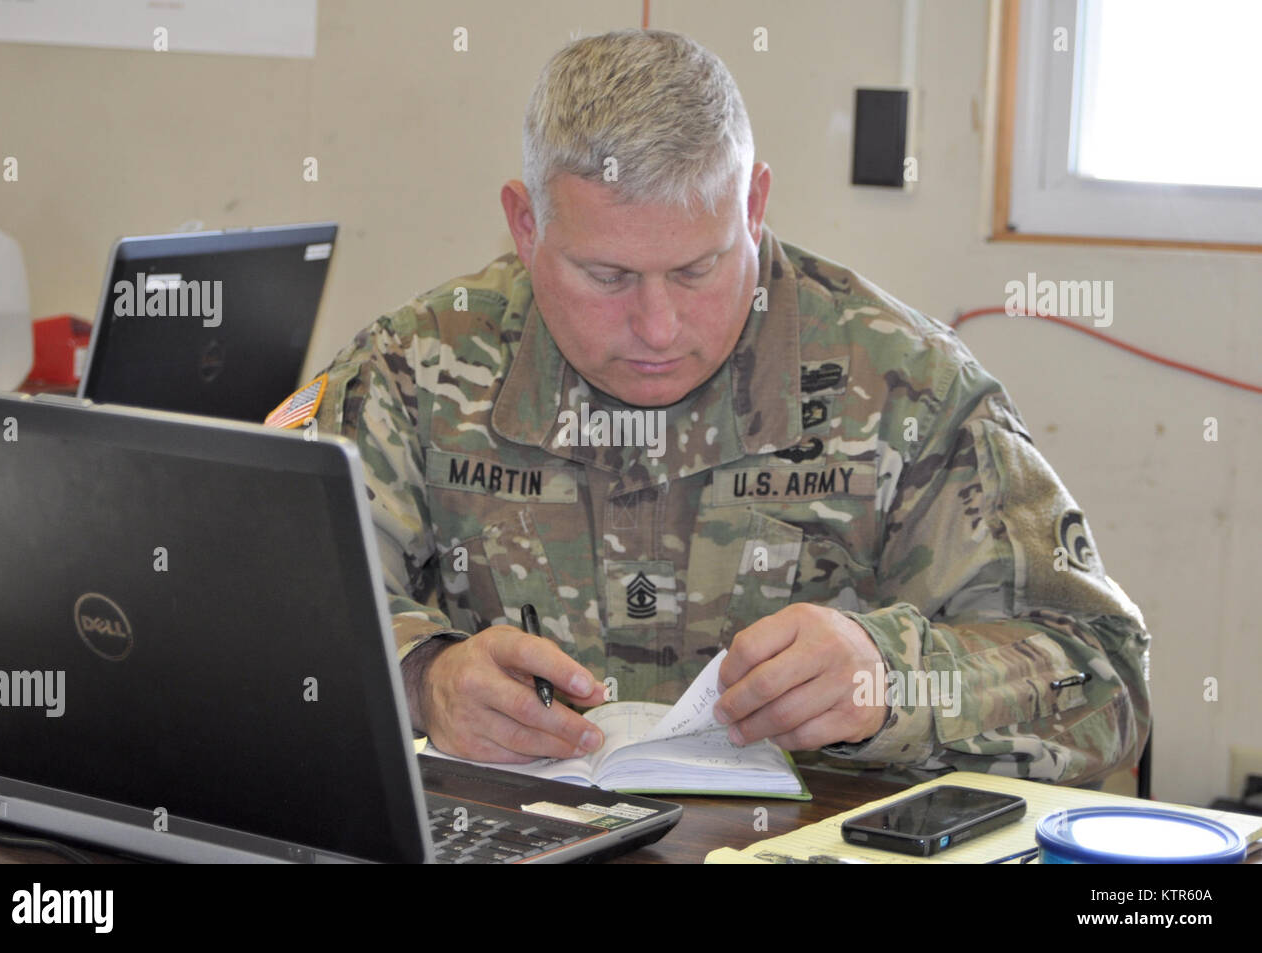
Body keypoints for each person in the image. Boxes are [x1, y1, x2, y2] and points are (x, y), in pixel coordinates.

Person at [272, 28, 1150, 786]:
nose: (658, 326)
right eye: (607, 276)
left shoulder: (900, 388)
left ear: (754, 206)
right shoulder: (417, 370)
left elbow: (1104, 676)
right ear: (526, 225)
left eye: (698, 268)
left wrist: (892, 678)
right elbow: (248, 611)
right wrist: (422, 677)